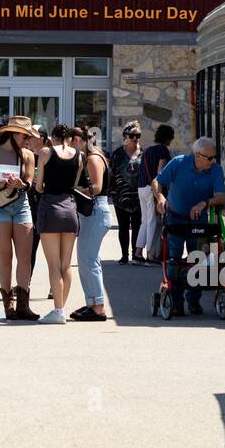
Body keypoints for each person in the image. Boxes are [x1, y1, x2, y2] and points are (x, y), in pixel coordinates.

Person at [152, 136, 225, 316]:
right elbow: (157, 181)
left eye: (214, 157)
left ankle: (194, 301)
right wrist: (160, 197)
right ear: (198, 156)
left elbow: (221, 196)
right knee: (173, 260)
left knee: (198, 259)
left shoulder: (215, 170)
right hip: (175, 219)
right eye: (210, 157)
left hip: (198, 221)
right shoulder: (179, 163)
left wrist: (204, 203)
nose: (213, 161)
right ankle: (176, 302)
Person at [0, 114, 37, 321]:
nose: (28, 141)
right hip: (0, 207)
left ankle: (24, 305)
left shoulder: (28, 155)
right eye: (25, 137)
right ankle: (8, 306)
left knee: (25, 257)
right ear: (14, 134)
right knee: (5, 257)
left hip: (22, 206)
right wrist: (5, 183)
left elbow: (29, 181)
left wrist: (21, 184)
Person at [34, 123, 82, 323]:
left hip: (51, 208)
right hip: (70, 208)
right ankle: (61, 308)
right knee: (66, 265)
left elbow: (38, 186)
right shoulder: (79, 155)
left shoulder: (46, 152)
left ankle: (58, 310)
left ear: (52, 137)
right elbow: (75, 184)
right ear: (69, 138)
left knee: (53, 265)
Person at [71, 131, 112, 322]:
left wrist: (75, 191)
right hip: (95, 211)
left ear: (78, 140)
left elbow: (96, 186)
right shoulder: (94, 157)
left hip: (95, 210)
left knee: (88, 260)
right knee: (89, 259)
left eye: (71, 143)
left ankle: (97, 306)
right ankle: (93, 302)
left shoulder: (93, 159)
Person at [136, 125, 174, 265]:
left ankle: (138, 253)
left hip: (141, 187)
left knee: (145, 221)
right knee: (153, 222)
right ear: (168, 137)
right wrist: (161, 193)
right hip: (153, 189)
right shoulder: (162, 150)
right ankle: (151, 256)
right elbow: (160, 172)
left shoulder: (147, 149)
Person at [109, 122, 143, 263]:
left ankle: (135, 254)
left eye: (138, 135)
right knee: (123, 227)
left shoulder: (143, 153)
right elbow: (111, 174)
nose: (135, 138)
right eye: (132, 135)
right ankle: (124, 255)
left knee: (137, 226)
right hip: (120, 195)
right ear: (125, 136)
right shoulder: (117, 154)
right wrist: (111, 191)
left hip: (139, 196)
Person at [27, 125, 49, 280]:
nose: (28, 140)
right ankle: (25, 283)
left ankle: (54, 286)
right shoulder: (28, 157)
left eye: (31, 137)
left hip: (48, 208)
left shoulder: (50, 157)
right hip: (31, 208)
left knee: (52, 251)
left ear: (41, 139)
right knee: (29, 249)